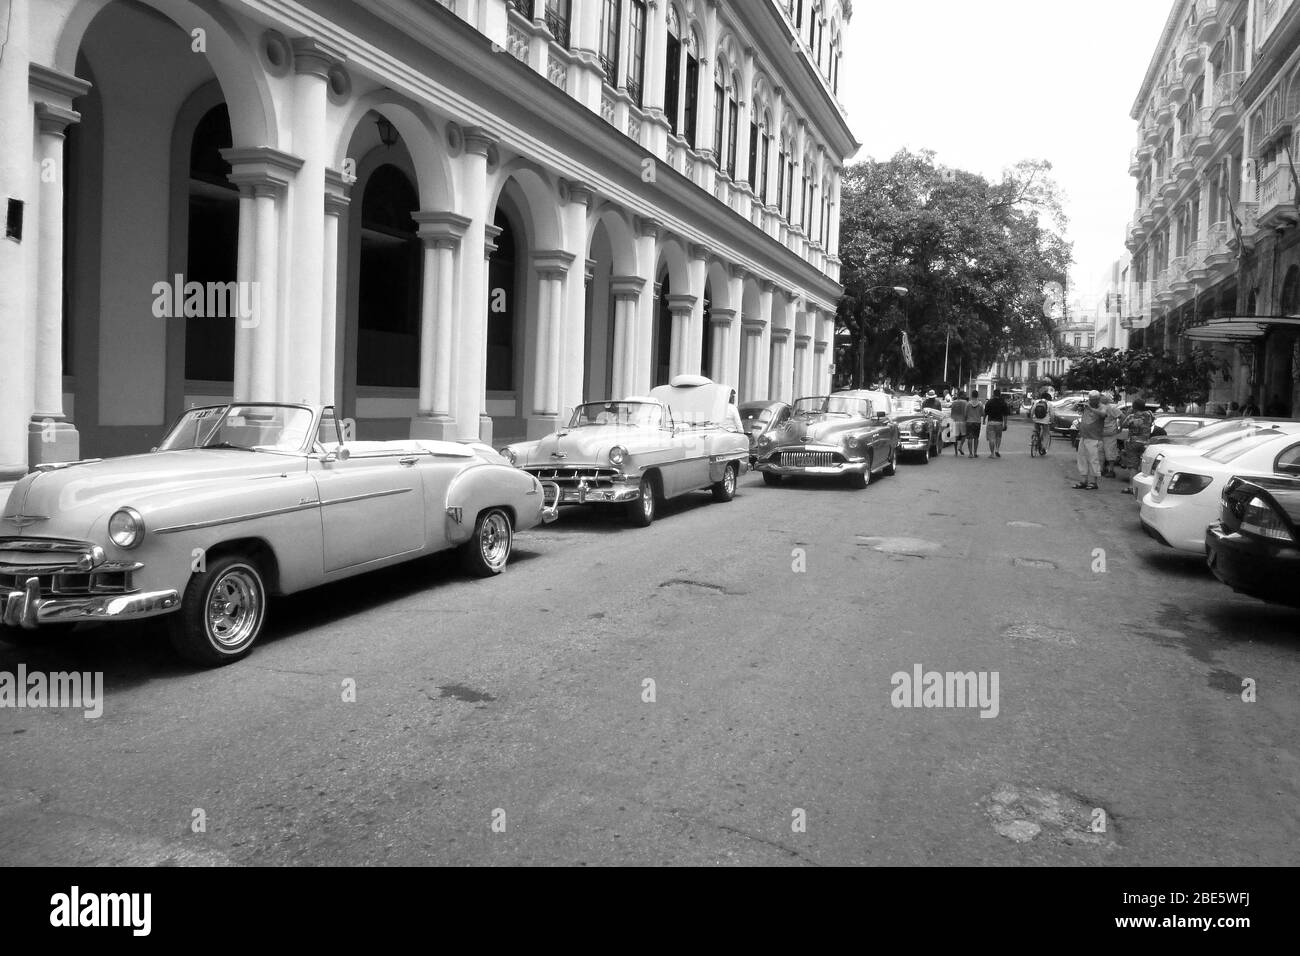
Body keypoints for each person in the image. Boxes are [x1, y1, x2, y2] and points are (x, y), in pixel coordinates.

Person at [1073, 390, 1109, 490]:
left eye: (1093, 400)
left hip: (1094, 439)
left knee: (1094, 460)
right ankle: (1084, 481)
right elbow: (1077, 410)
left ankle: (1094, 482)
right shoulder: (1087, 405)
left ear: (1098, 399)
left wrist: (1091, 409)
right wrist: (1079, 406)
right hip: (1084, 437)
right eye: (1090, 399)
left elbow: (1103, 414)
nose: (1091, 401)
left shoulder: (1102, 407)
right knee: (1082, 459)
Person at [1119, 399, 1155, 491]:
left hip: (1133, 443)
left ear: (1134, 407)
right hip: (1146, 443)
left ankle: (1132, 487)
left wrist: (1129, 412)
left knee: (1133, 466)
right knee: (1144, 465)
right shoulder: (1150, 415)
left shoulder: (1131, 416)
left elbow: (1124, 425)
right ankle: (1144, 488)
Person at [983, 390, 1009, 458]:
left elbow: (985, 413)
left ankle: (992, 454)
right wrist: (1005, 424)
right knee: (998, 437)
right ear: (999, 395)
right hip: (999, 423)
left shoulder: (989, 402)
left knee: (991, 439)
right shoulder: (1003, 403)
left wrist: (983, 420)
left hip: (991, 422)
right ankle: (997, 449)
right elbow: (1005, 415)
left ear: (993, 394)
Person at [1100, 400, 1122, 478]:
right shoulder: (1099, 407)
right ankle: (1101, 469)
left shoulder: (1112, 408)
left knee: (1110, 453)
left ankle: (1111, 470)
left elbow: (1122, 416)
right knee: (1100, 452)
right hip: (1100, 433)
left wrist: (1120, 428)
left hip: (1110, 434)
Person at [965, 391, 985, 457]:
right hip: (977, 422)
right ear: (977, 395)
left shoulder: (968, 404)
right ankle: (975, 453)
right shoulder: (980, 404)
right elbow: (982, 414)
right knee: (976, 438)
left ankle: (970, 453)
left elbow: (965, 414)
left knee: (970, 438)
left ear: (971, 395)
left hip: (969, 422)